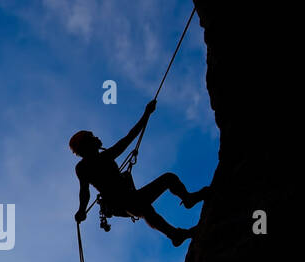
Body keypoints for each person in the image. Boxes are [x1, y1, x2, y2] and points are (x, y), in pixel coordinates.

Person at [70, 99, 206, 246]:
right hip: (123, 201)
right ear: (87, 144)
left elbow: (85, 192)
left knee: (153, 199)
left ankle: (178, 226)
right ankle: (183, 213)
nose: (97, 138)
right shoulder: (97, 161)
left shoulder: (86, 166)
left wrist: (82, 210)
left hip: (124, 201)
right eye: (92, 137)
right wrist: (146, 114)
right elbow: (129, 138)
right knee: (154, 196)